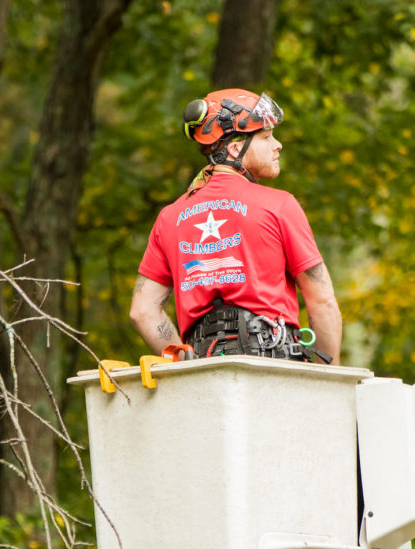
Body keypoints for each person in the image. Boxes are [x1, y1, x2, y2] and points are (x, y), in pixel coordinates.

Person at [129, 88, 342, 364]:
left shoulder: (169, 217)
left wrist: (185, 363)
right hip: (271, 365)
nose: (277, 145)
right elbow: (322, 302)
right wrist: (330, 380)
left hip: (202, 370)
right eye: (265, 137)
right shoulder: (278, 205)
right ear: (234, 148)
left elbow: (143, 311)